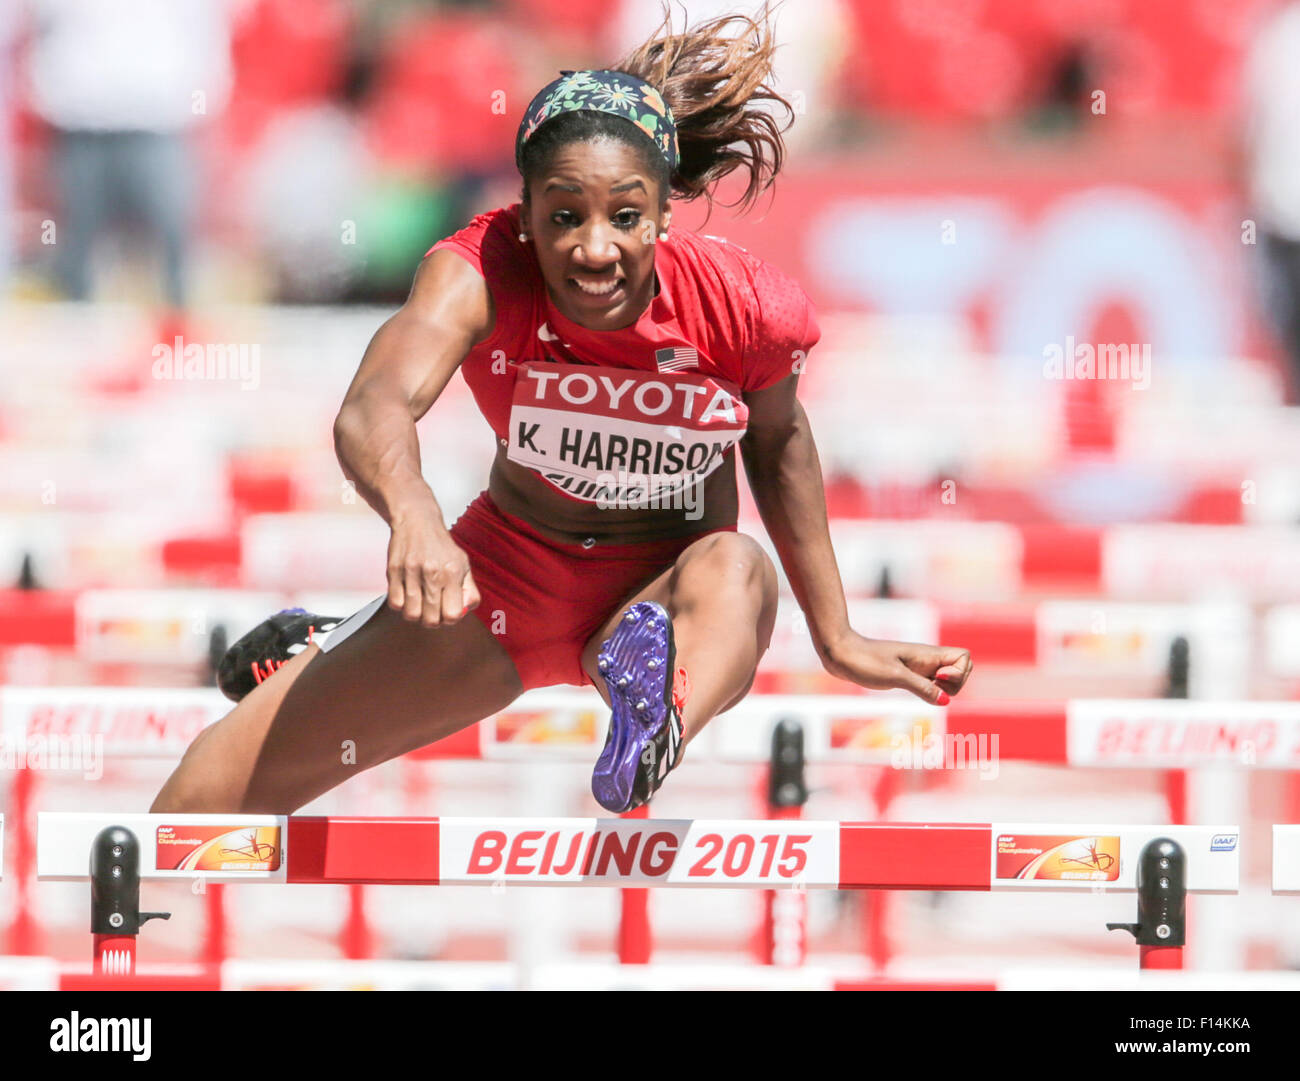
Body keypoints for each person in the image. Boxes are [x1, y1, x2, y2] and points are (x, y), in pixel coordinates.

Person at [152, 9, 973, 818]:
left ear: (662, 209)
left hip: (668, 596)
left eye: (624, 216)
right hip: (500, 592)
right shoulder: (478, 269)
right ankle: (356, 637)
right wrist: (414, 519)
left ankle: (648, 704)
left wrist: (838, 636)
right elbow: (375, 406)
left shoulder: (745, 306)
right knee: (198, 799)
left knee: (736, 568)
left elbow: (781, 439)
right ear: (526, 210)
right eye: (563, 215)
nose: (593, 248)